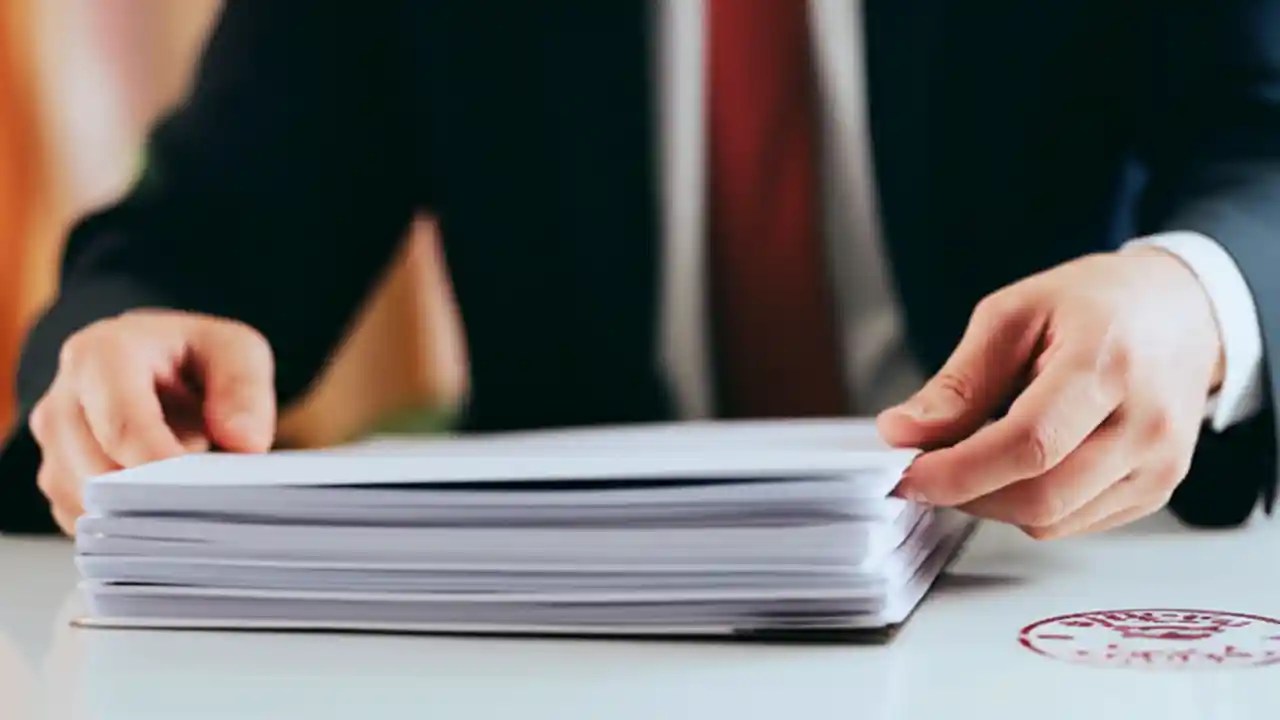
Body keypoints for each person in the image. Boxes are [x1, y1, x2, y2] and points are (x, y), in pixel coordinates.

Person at [3, 1, 1278, 538]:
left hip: (1049, 573)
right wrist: (121, 349)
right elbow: (189, 242)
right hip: (572, 629)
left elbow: (1259, 133)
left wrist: (1197, 296)